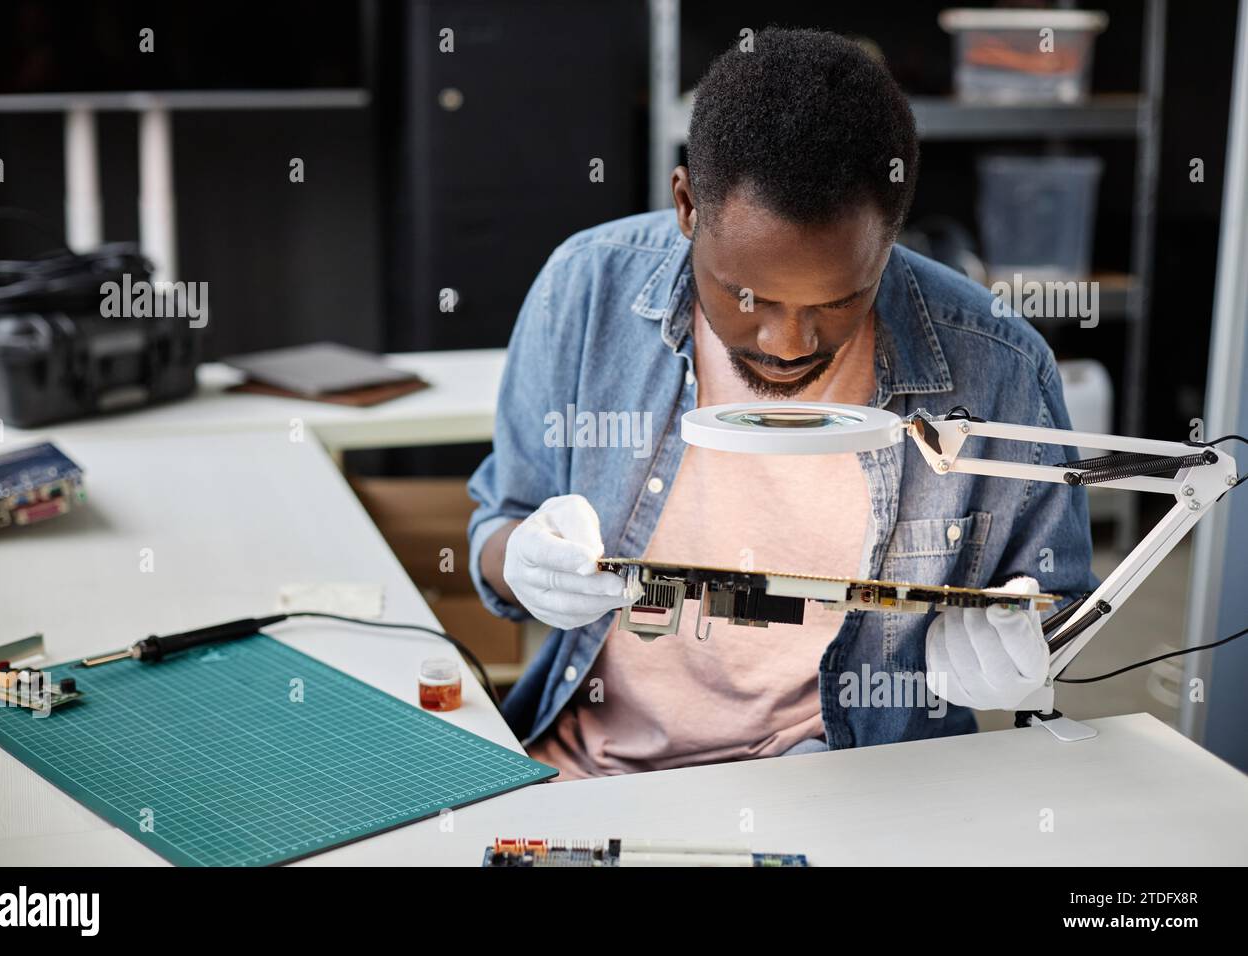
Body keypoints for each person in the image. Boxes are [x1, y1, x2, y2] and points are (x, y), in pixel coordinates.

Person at [467, 28, 1093, 780]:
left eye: (838, 301)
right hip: (594, 775)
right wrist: (525, 562)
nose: (790, 341)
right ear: (687, 204)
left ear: (891, 240)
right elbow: (498, 525)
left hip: (853, 781)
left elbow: (1059, 598)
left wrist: (1023, 639)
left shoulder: (999, 364)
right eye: (748, 297)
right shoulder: (584, 291)